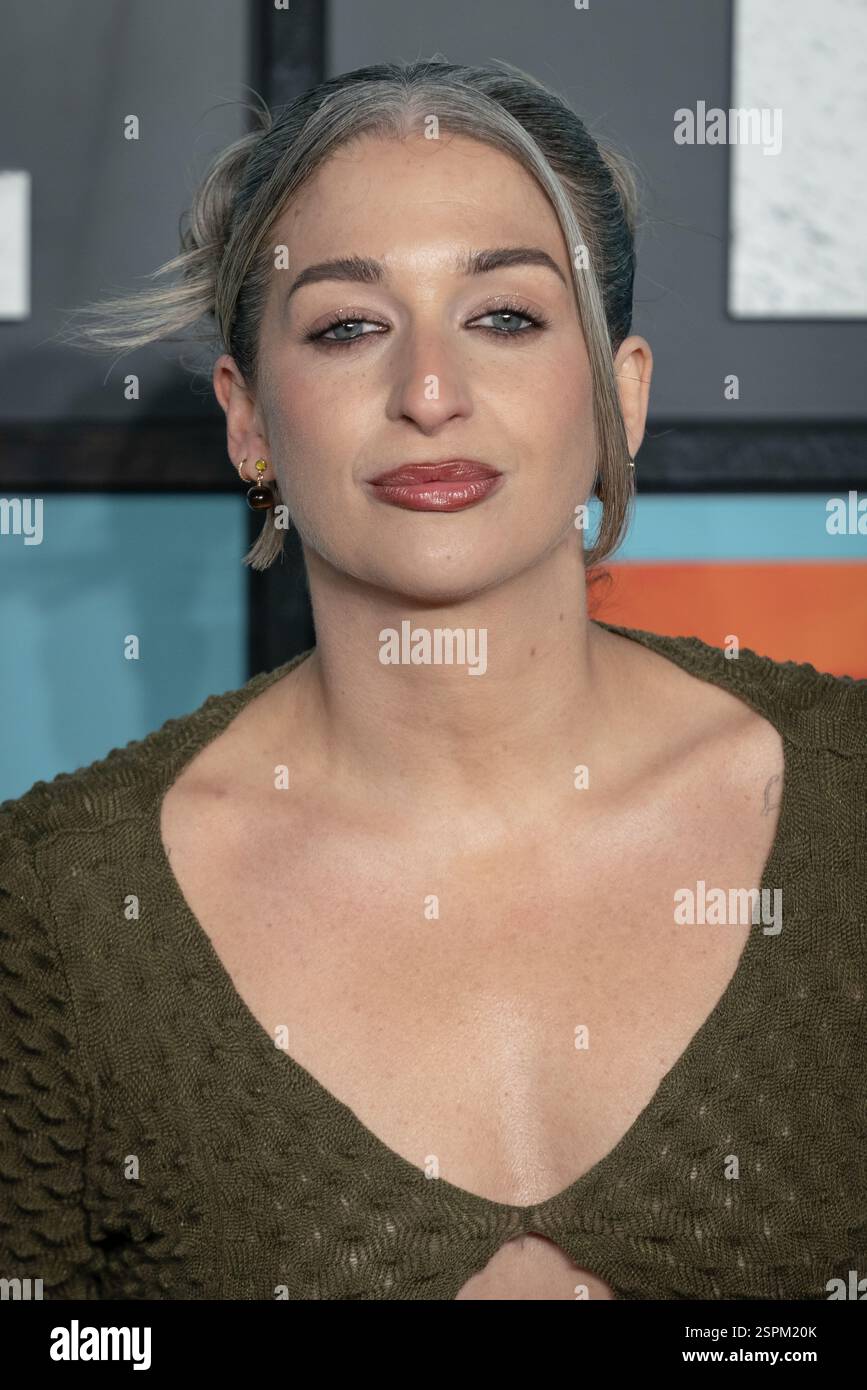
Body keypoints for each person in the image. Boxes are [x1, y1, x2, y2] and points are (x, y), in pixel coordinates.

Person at [1, 58, 864, 1301]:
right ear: (248, 420)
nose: (428, 394)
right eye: (348, 327)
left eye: (504, 316)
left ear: (620, 395)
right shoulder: (55, 911)